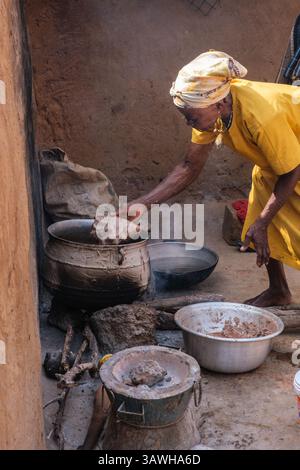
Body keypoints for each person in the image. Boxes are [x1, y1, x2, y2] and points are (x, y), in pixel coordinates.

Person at [128, 50, 300, 307]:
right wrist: (140, 205)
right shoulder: (211, 112)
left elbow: (291, 171)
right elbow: (189, 166)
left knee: (266, 223)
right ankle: (279, 291)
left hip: (292, 167)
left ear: (219, 105)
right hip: (278, 168)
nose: (189, 123)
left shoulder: (262, 115)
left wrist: (264, 221)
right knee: (259, 217)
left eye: (191, 117)